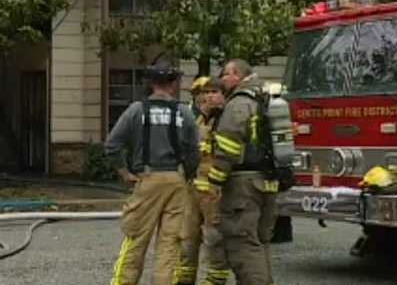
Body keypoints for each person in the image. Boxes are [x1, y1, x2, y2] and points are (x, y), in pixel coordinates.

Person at [104, 58, 199, 285]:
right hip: (176, 179)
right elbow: (193, 152)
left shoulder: (136, 110)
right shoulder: (184, 112)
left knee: (136, 238)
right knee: (169, 243)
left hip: (147, 179)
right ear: (174, 83)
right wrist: (187, 176)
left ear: (151, 83)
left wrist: (125, 173)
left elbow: (112, 145)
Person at [199, 59, 280, 285]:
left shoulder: (239, 102)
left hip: (244, 186)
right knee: (260, 242)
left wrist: (215, 181)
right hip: (269, 181)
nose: (223, 79)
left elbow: (228, 147)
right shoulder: (266, 98)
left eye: (226, 74)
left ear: (237, 75)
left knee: (243, 245)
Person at [175, 76, 230, 285]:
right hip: (192, 188)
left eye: (213, 92)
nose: (207, 97)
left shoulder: (227, 120)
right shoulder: (197, 119)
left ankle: (215, 279)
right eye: (204, 93)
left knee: (213, 237)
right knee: (187, 236)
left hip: (214, 191)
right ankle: (184, 278)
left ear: (224, 96)